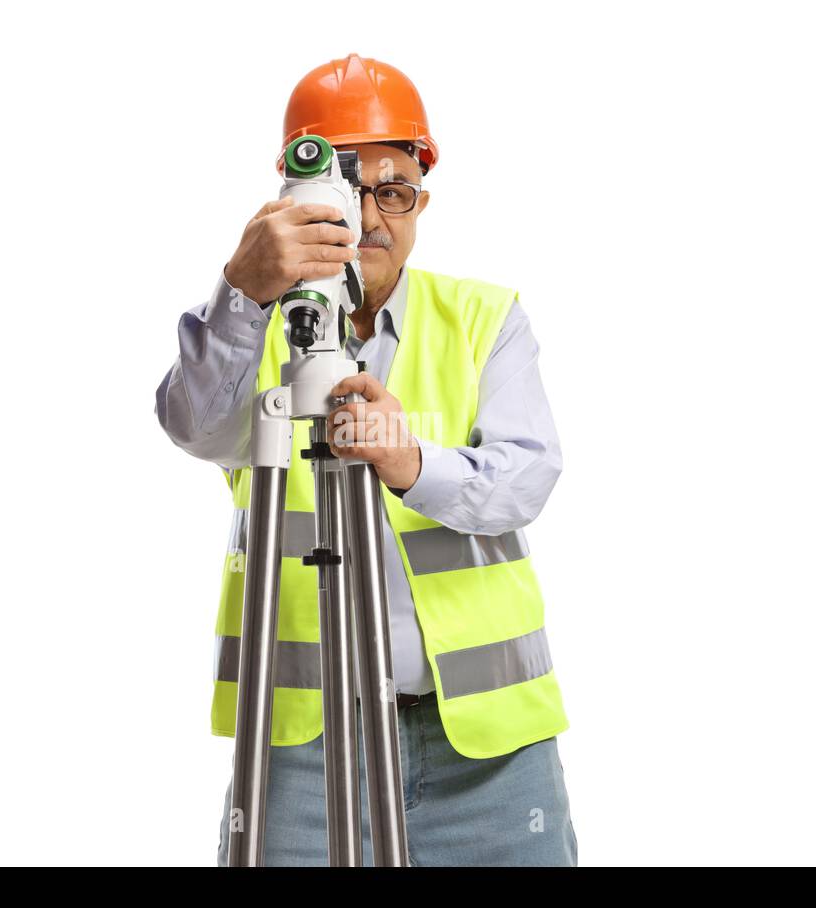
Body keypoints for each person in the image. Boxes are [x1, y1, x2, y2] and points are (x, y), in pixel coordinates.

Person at [156, 53, 575, 866]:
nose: (375, 218)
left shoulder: (484, 318)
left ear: (420, 199)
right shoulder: (256, 333)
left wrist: (413, 462)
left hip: (487, 750)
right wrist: (241, 291)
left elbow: (528, 477)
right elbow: (194, 426)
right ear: (298, 198)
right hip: (306, 751)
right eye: (352, 188)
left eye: (396, 190)